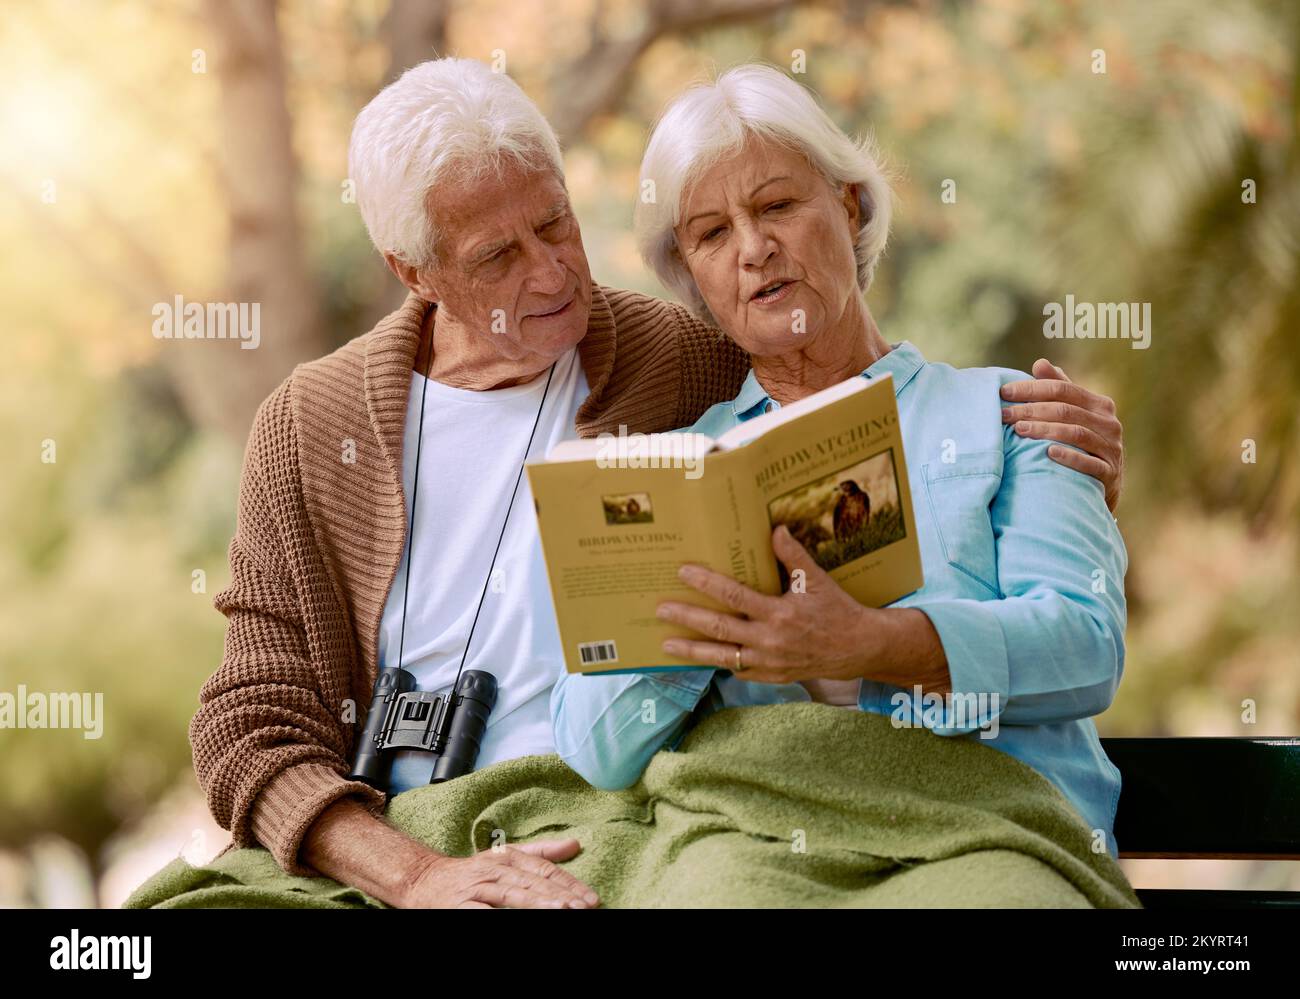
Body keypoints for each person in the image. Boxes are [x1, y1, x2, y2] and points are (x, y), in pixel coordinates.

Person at [185, 57, 1125, 909]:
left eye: (555, 223)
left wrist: (1061, 462)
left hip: (634, 829)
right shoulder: (314, 424)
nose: (554, 272)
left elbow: (857, 377)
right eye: (498, 256)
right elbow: (247, 723)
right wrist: (415, 874)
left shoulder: (694, 364)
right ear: (414, 272)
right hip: (412, 836)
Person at [551, 64, 1131, 874]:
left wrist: (869, 642)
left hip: (987, 829)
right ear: (693, 277)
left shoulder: (1010, 414)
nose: (754, 249)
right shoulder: (680, 470)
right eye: (712, 233)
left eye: (778, 205)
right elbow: (594, 751)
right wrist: (699, 628)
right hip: (759, 836)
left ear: (849, 206)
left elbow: (1086, 645)